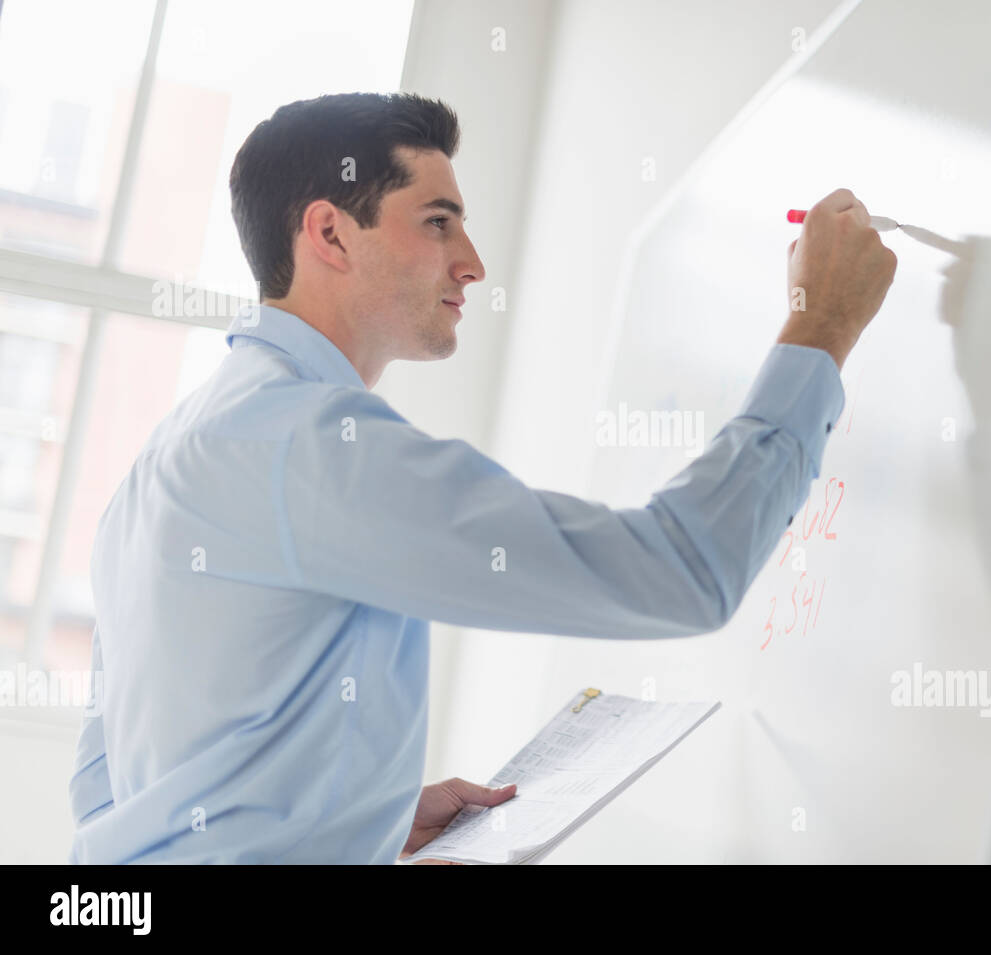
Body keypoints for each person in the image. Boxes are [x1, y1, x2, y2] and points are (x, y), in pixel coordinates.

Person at [67, 92, 896, 864]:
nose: (472, 263)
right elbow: (684, 574)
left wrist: (359, 819)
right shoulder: (317, 444)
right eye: (437, 222)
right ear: (328, 234)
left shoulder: (172, 453)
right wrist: (820, 324)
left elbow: (110, 786)